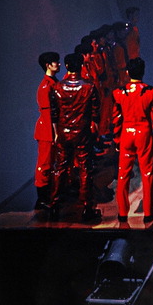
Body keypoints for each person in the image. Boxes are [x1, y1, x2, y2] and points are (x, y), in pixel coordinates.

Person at [46, 53, 102, 223]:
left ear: (67, 66)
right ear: (81, 65)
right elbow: (95, 111)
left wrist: (56, 132)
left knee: (60, 168)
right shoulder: (89, 86)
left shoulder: (57, 87)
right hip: (82, 132)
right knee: (85, 168)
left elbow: (54, 113)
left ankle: (54, 205)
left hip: (63, 131)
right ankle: (86, 207)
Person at [111, 57, 153, 224]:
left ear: (127, 72)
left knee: (123, 174)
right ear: (143, 72)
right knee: (147, 174)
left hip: (126, 134)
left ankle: (122, 213)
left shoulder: (119, 93)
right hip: (144, 133)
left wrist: (117, 140)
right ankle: (148, 213)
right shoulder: (151, 92)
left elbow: (116, 119)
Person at [33, 51, 60, 210]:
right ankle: (42, 198)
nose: (59, 64)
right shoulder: (45, 86)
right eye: (55, 62)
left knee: (50, 163)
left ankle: (47, 195)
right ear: (48, 65)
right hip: (47, 130)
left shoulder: (52, 83)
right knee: (44, 164)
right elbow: (49, 112)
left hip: (51, 128)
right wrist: (55, 131)